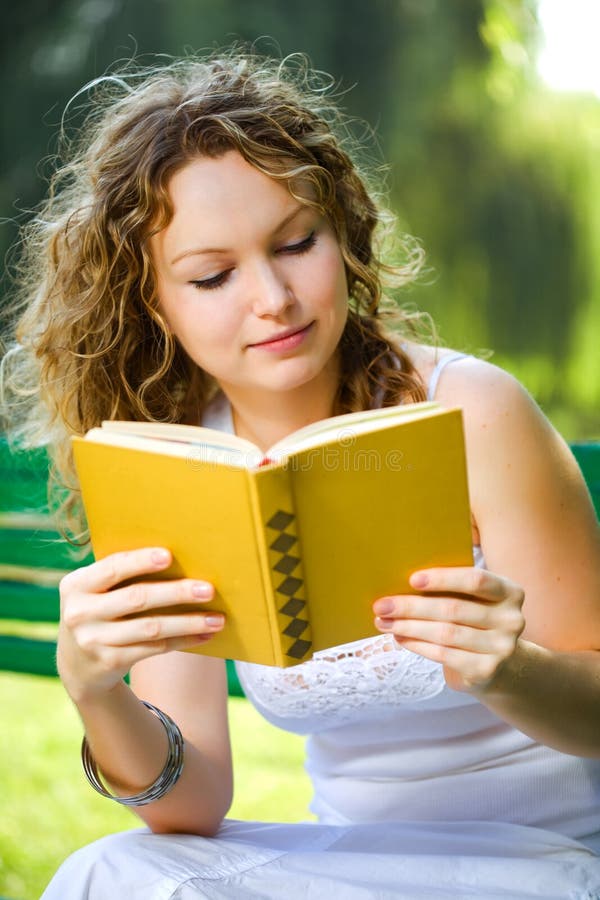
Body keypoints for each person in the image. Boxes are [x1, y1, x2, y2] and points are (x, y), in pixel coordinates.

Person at [2, 49, 600, 899]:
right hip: (351, 867)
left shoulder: (474, 410)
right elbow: (192, 807)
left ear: (342, 232)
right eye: (212, 276)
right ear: (153, 302)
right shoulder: (180, 463)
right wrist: (94, 690)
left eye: (295, 243)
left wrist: (510, 669)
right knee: (110, 870)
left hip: (541, 857)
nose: (274, 298)